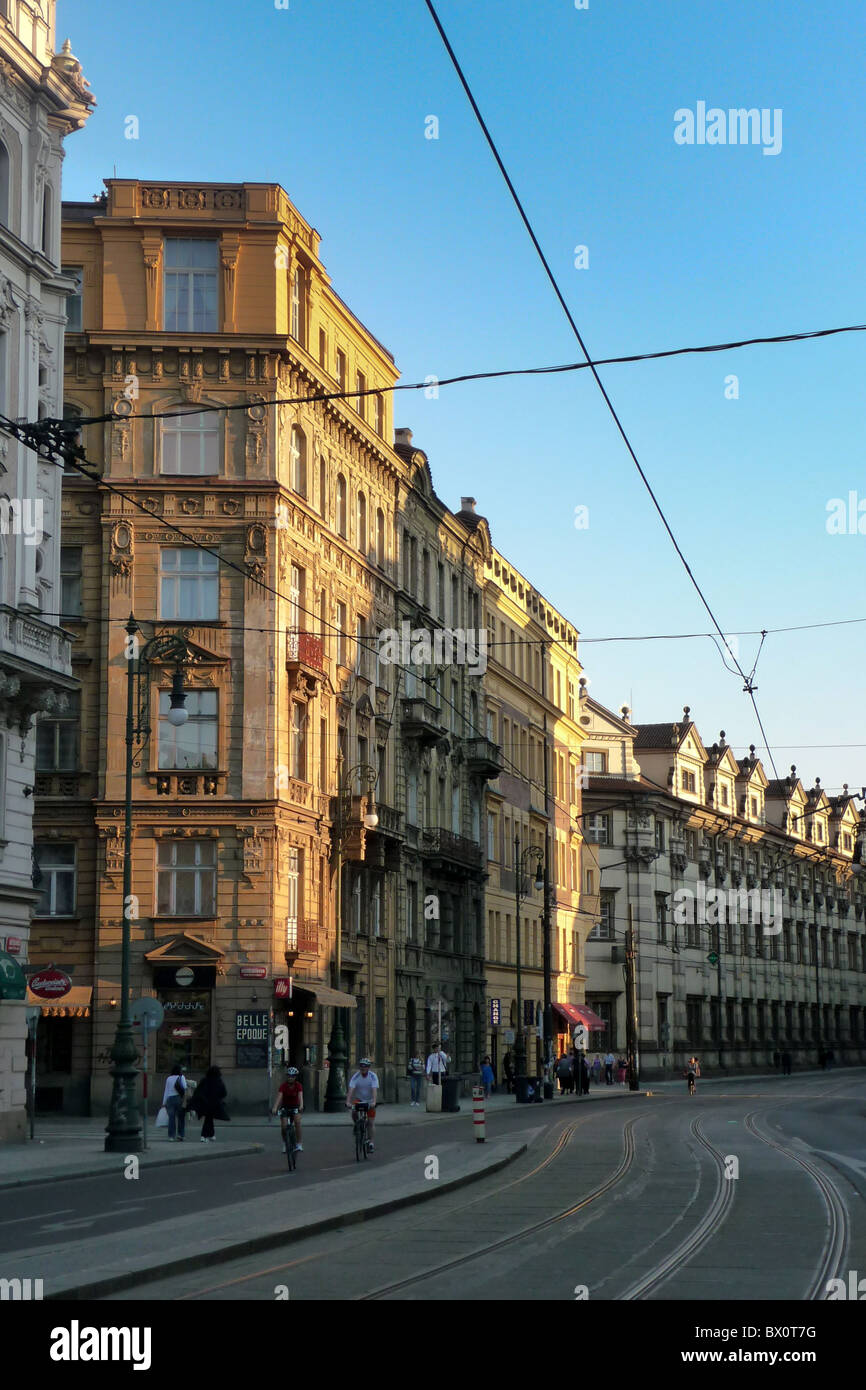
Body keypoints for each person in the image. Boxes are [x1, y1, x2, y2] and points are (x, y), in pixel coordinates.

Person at [347, 1057, 379, 1151]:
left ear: (368, 1067)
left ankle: (371, 1142)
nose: (363, 1068)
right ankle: (357, 1125)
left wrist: (374, 1101)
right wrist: (347, 1101)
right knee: (353, 1111)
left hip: (370, 1101)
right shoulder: (356, 1076)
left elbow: (374, 1090)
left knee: (370, 1122)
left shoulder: (373, 1076)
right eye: (361, 1067)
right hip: (359, 1099)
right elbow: (351, 1089)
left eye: (365, 1067)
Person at [191, 1065, 228, 1142]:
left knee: (209, 1119)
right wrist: (218, 1098)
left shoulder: (205, 1080)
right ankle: (203, 1135)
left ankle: (211, 1135)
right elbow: (224, 1093)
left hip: (205, 1103)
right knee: (208, 1119)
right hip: (214, 1103)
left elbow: (198, 1091)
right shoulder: (218, 1081)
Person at [272, 1064, 304, 1152]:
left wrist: (301, 1106)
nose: (290, 1078)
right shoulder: (283, 1086)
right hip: (285, 1107)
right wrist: (275, 1108)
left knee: (297, 1122)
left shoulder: (298, 1085)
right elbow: (279, 1097)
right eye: (289, 1076)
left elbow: (300, 1097)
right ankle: (285, 1143)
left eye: (292, 1076)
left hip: (295, 1106)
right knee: (283, 1127)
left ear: (295, 1077)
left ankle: (299, 1144)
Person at [162, 1063, 187, 1141]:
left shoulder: (169, 1078)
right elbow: (184, 1087)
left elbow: (166, 1091)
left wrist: (164, 1103)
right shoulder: (181, 1077)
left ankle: (171, 1136)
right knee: (181, 1117)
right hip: (179, 1098)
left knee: (171, 1118)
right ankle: (180, 1135)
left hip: (170, 1099)